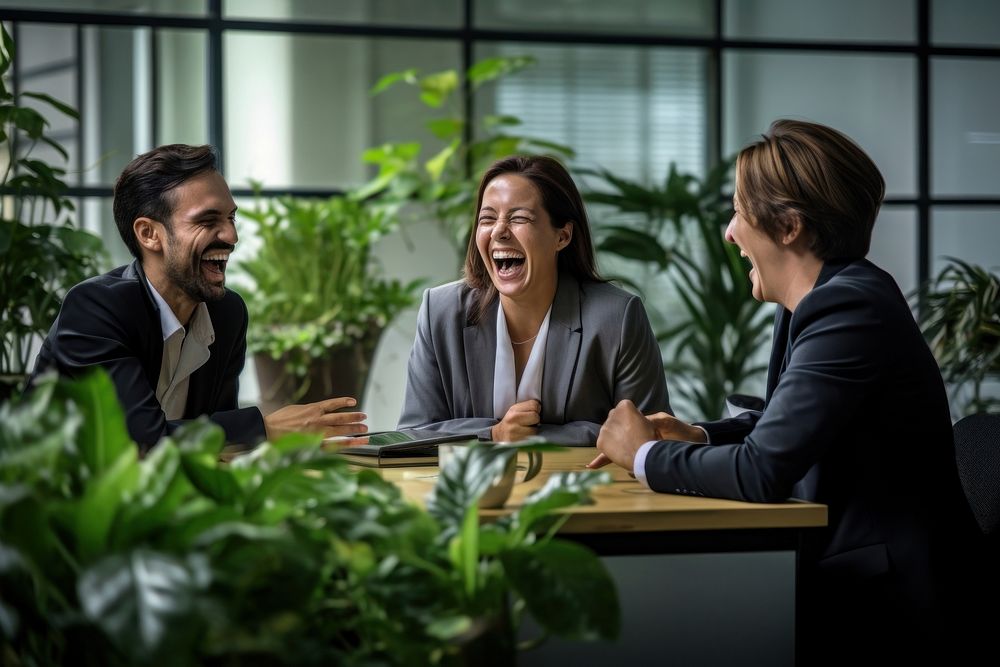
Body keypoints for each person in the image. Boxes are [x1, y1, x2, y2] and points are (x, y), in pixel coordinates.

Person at [590, 120, 977, 661]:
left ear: (790, 226)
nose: (729, 234)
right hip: (850, 573)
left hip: (892, 603)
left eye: (737, 212)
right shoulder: (825, 297)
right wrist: (697, 435)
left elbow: (761, 471)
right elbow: (788, 421)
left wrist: (644, 456)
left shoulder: (849, 307)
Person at [30, 144, 366, 453]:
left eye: (231, 218)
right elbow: (138, 442)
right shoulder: (96, 309)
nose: (231, 236)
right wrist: (263, 428)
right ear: (149, 234)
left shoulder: (227, 313)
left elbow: (218, 446)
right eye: (207, 220)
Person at [398, 155, 670, 445]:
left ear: (562, 236)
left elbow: (652, 437)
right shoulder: (441, 311)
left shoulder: (617, 317)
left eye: (519, 218)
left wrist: (533, 435)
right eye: (487, 219)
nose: (499, 231)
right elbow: (412, 434)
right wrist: (493, 433)